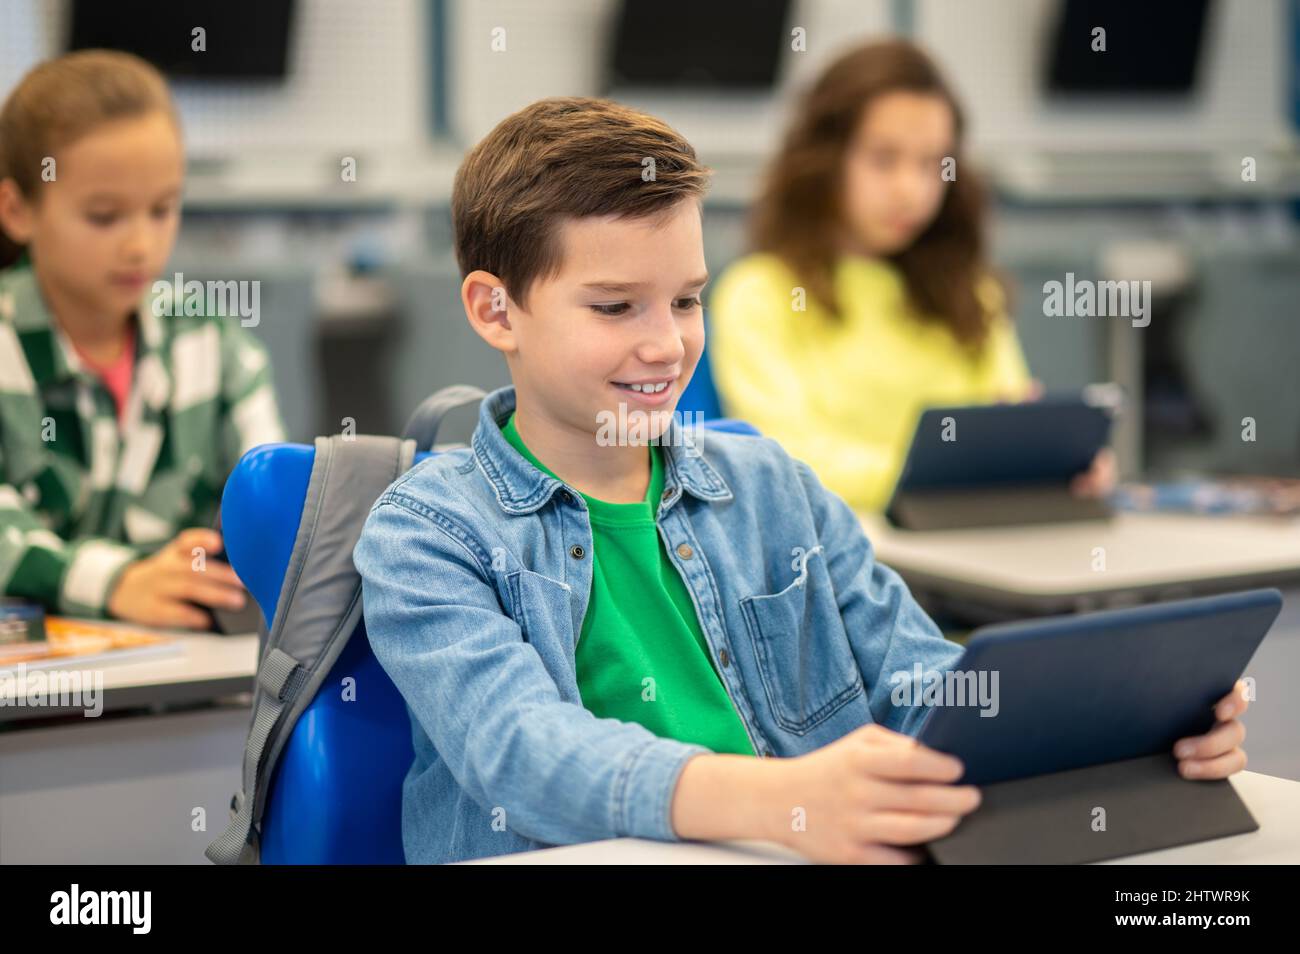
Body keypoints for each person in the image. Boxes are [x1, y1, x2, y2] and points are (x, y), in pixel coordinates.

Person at [351, 96, 1249, 865]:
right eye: (616, 306)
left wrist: (1131, 724)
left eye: (688, 298)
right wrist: (789, 801)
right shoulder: (429, 532)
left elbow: (924, 683)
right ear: (493, 308)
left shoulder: (769, 488)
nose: (666, 343)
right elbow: (520, 753)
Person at [709, 39, 1114, 513]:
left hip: (974, 540)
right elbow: (789, 463)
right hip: (842, 559)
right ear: (824, 160)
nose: (911, 189)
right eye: (884, 159)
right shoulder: (759, 294)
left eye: (930, 164)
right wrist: (956, 475)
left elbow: (1009, 422)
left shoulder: (969, 292)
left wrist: (1063, 464)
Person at [0, 50, 286, 628]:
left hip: (191, 681)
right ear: (17, 210)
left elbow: (277, 501)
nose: (140, 245)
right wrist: (119, 582)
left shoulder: (214, 340)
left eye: (162, 209)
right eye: (105, 217)